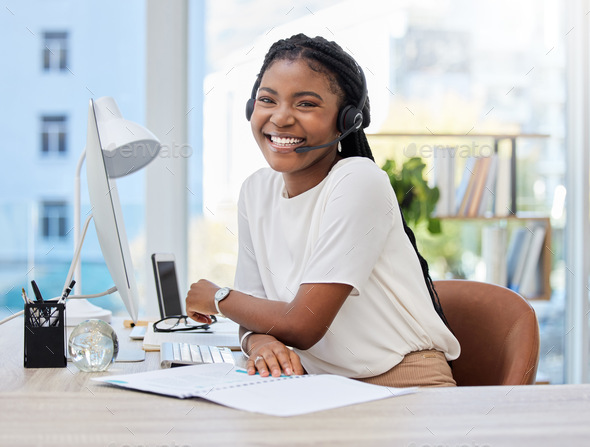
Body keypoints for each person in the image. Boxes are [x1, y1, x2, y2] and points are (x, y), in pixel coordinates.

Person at [186, 33, 460, 388]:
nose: (280, 118)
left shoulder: (358, 181)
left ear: (346, 121)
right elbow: (253, 312)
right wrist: (261, 342)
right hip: (318, 385)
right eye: (268, 99)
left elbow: (303, 324)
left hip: (403, 386)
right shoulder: (256, 190)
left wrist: (218, 298)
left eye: (306, 104)